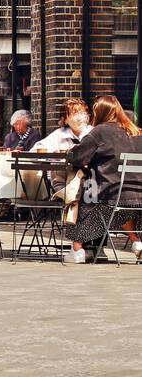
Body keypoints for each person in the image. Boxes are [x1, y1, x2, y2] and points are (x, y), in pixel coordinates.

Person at [64, 96, 142, 263]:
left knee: (80, 198)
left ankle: (77, 250)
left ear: (99, 112)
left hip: (108, 193)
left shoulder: (100, 131)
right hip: (138, 195)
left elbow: (76, 156)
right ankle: (137, 242)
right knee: (120, 208)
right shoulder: (137, 131)